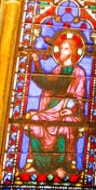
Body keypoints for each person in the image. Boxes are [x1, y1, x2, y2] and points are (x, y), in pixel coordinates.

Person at [24, 28, 88, 181]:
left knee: (63, 125)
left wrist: (71, 109)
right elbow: (46, 84)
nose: (61, 51)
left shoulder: (78, 72)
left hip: (67, 110)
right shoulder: (57, 69)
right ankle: (39, 165)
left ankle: (62, 165)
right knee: (34, 120)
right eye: (61, 48)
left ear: (73, 51)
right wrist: (37, 62)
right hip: (51, 108)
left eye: (66, 48)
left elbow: (79, 95)